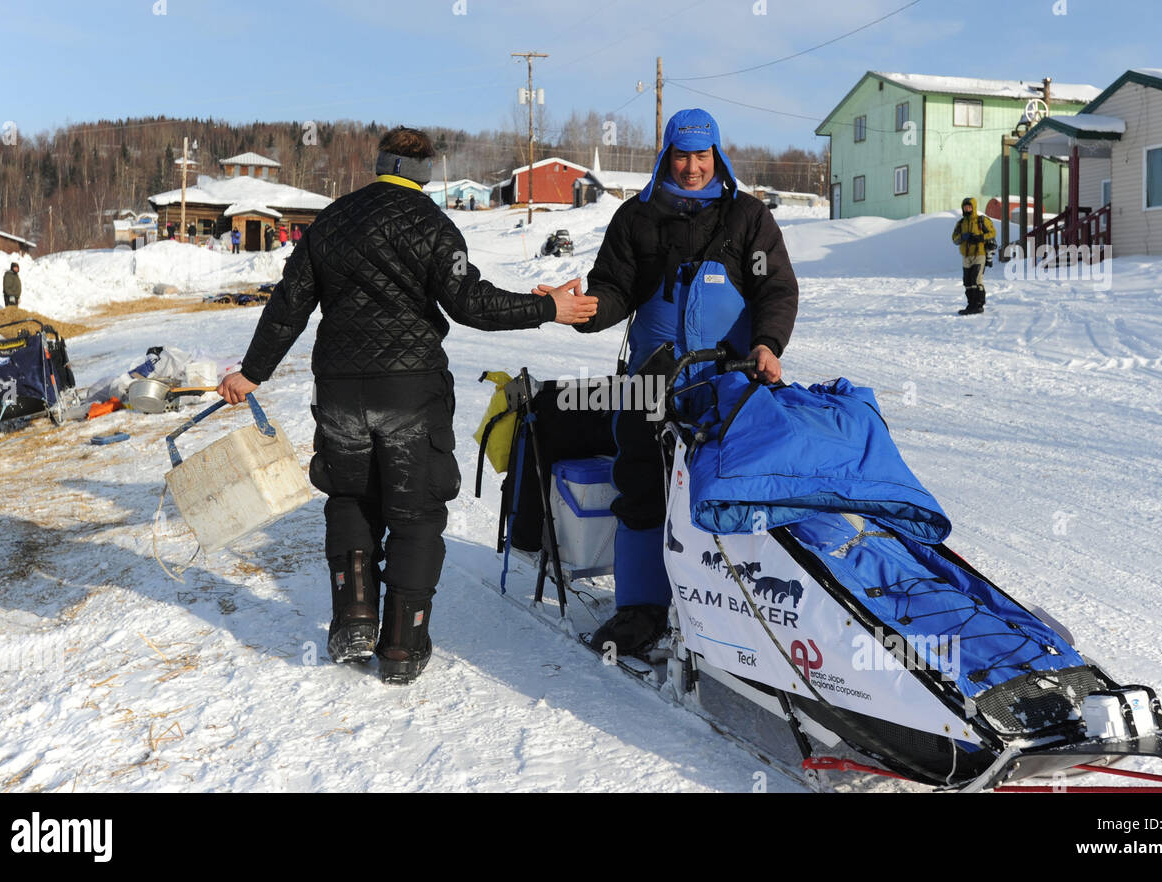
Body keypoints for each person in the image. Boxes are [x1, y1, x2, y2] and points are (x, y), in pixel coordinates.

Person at [216, 126, 597, 685]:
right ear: (425, 173)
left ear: (379, 164)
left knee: (350, 497)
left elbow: (288, 305)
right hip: (410, 392)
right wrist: (548, 309)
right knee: (415, 510)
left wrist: (252, 373)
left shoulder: (332, 220)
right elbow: (472, 303)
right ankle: (402, 645)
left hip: (341, 389)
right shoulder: (432, 225)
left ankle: (353, 617)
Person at [539, 108, 799, 656]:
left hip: (729, 380)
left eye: (701, 155)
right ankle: (639, 610)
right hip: (650, 377)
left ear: (717, 155)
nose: (691, 167)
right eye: (681, 155)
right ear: (666, 154)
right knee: (641, 487)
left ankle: (733, 610)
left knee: (730, 490)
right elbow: (614, 291)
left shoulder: (748, 218)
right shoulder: (637, 217)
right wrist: (583, 308)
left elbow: (777, 289)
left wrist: (768, 345)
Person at [952, 196, 995, 315]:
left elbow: (992, 233)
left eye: (969, 207)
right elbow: (954, 239)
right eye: (965, 207)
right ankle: (971, 304)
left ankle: (979, 304)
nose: (967, 209)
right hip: (966, 256)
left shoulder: (981, 220)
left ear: (974, 207)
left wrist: (980, 237)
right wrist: (962, 237)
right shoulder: (961, 223)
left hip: (979, 254)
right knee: (967, 281)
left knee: (976, 279)